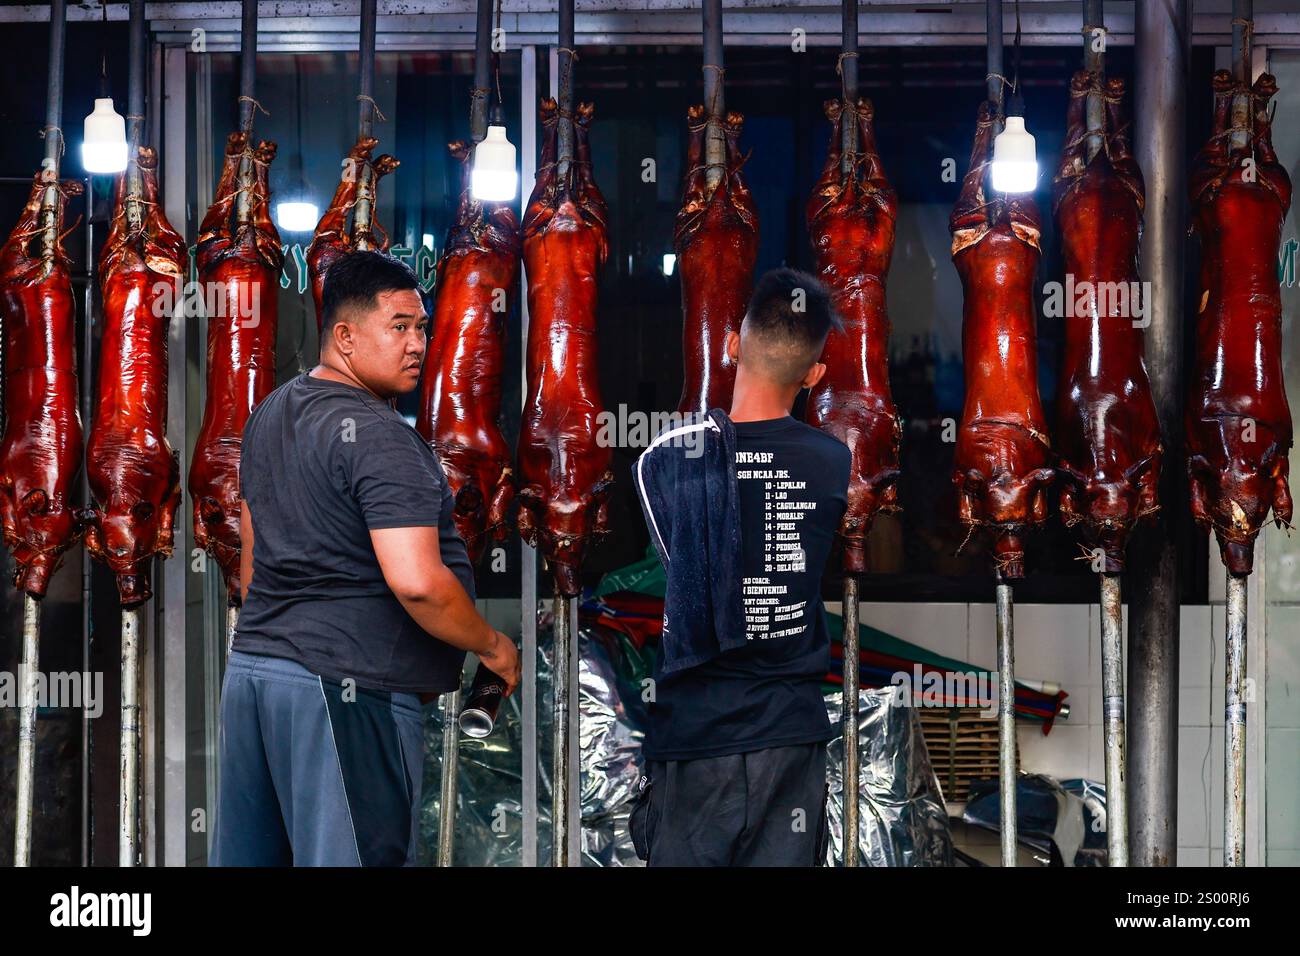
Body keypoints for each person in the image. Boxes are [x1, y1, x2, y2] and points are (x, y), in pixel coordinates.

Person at [210, 250, 520, 867]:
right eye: (399, 326)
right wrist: (491, 646)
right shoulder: (379, 436)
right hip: (344, 693)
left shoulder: (271, 413)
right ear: (345, 336)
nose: (417, 343)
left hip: (255, 677)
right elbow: (418, 584)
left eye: (422, 327)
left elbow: (250, 561)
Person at [631, 268, 851, 866]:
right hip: (789, 740)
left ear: (731, 346)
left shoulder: (668, 459)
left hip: (698, 741)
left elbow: (677, 563)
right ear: (814, 377)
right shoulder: (833, 460)